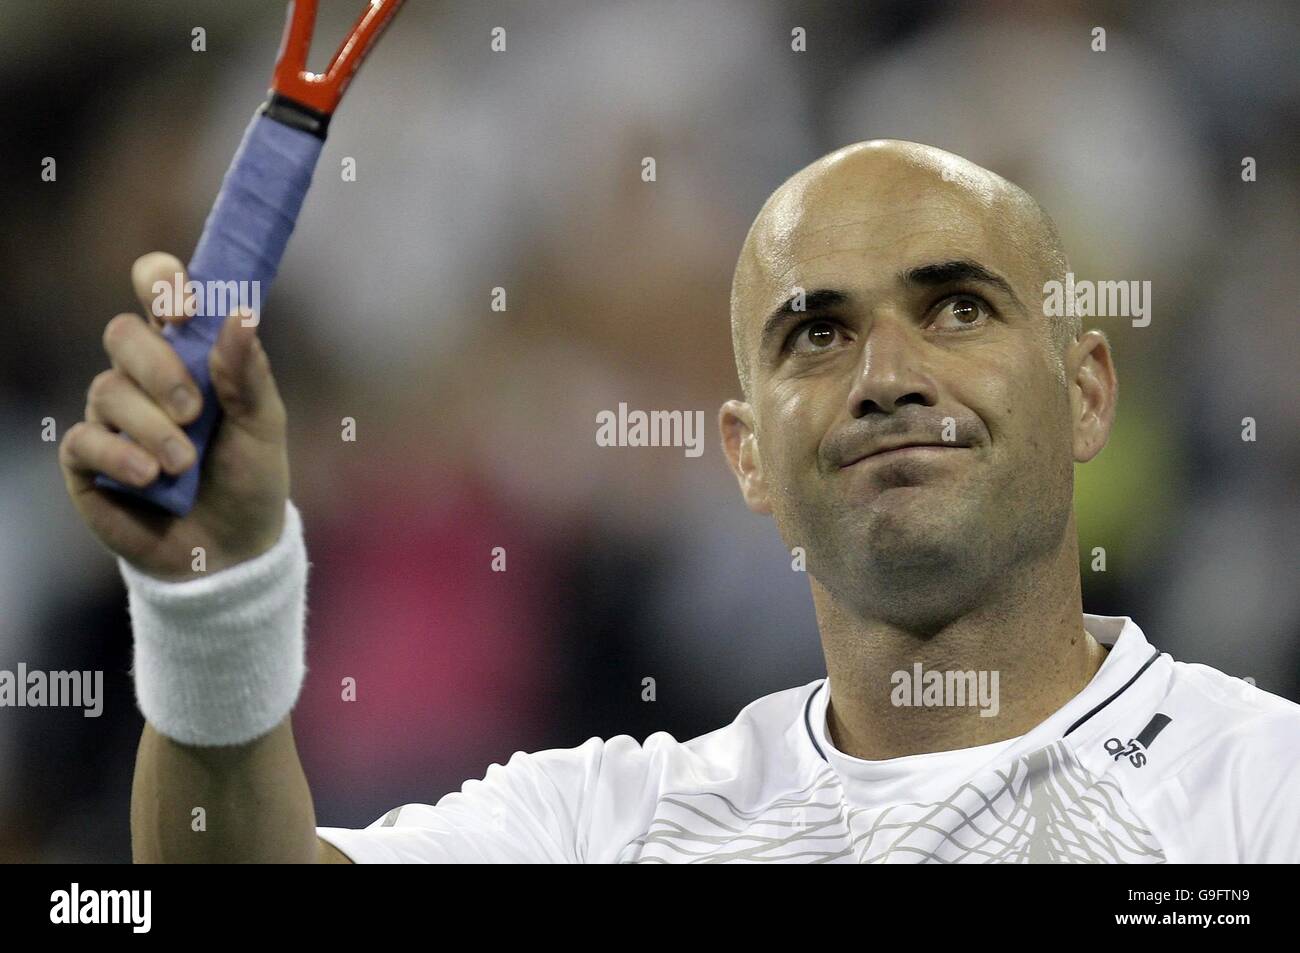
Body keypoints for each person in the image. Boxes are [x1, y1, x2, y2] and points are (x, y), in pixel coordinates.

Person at [61, 140, 1299, 863]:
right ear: (748, 457)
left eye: (958, 307)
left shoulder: (1267, 791)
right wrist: (214, 590)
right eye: (815, 332)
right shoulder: (606, 824)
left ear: (1088, 395)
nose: (884, 377)